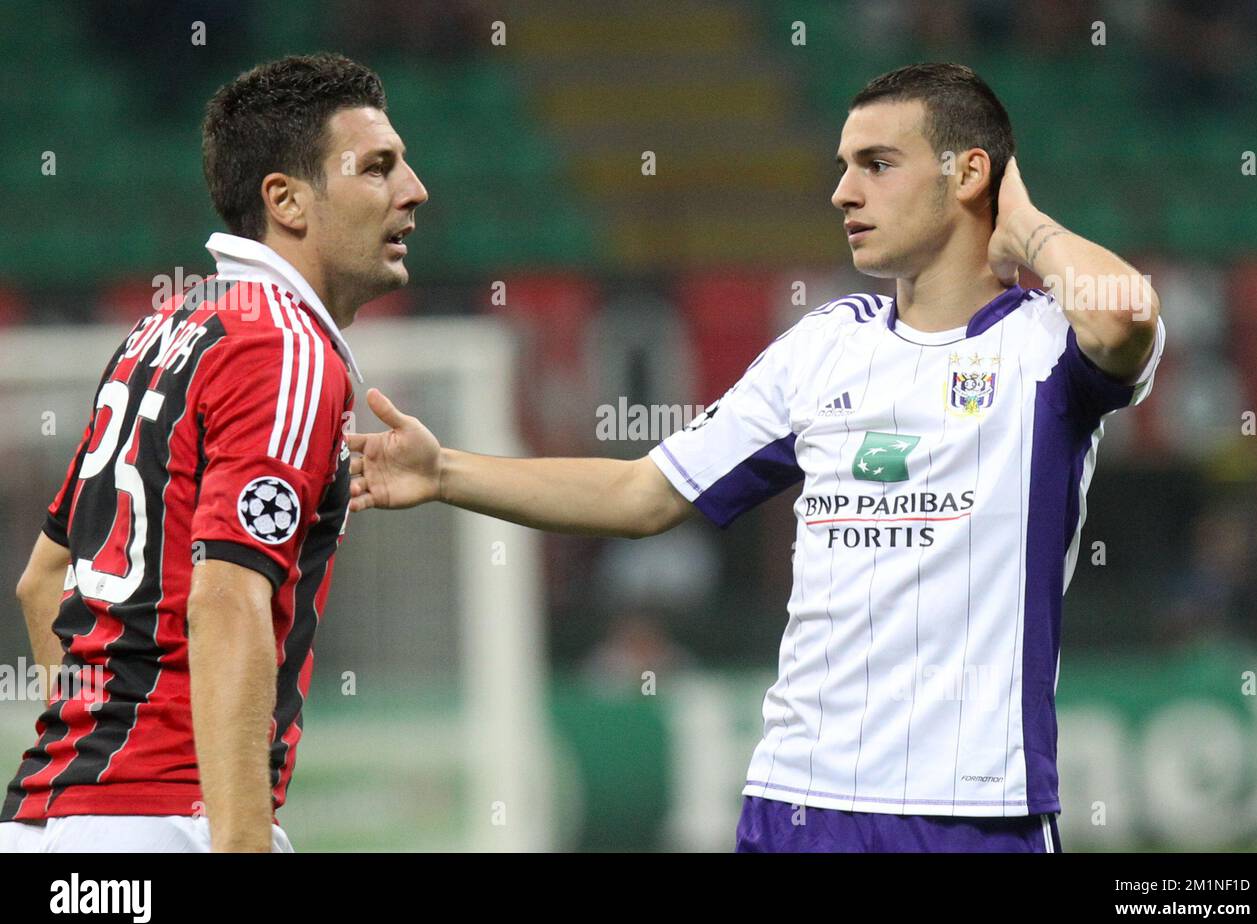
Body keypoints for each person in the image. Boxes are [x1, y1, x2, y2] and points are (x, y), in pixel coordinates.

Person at [345, 63, 1165, 853]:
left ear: (969, 173)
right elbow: (643, 493)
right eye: (843, 166)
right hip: (799, 804)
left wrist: (1025, 227)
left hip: (973, 811)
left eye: (877, 164)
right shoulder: (824, 347)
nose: (843, 191)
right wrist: (446, 470)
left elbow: (1124, 314)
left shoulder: (1044, 347)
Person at [0, 53, 428, 853]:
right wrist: (234, 840)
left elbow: (42, 579)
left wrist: (99, 767)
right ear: (286, 201)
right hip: (167, 826)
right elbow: (227, 601)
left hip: (46, 826)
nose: (414, 189)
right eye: (378, 167)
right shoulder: (288, 350)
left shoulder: (164, 331)